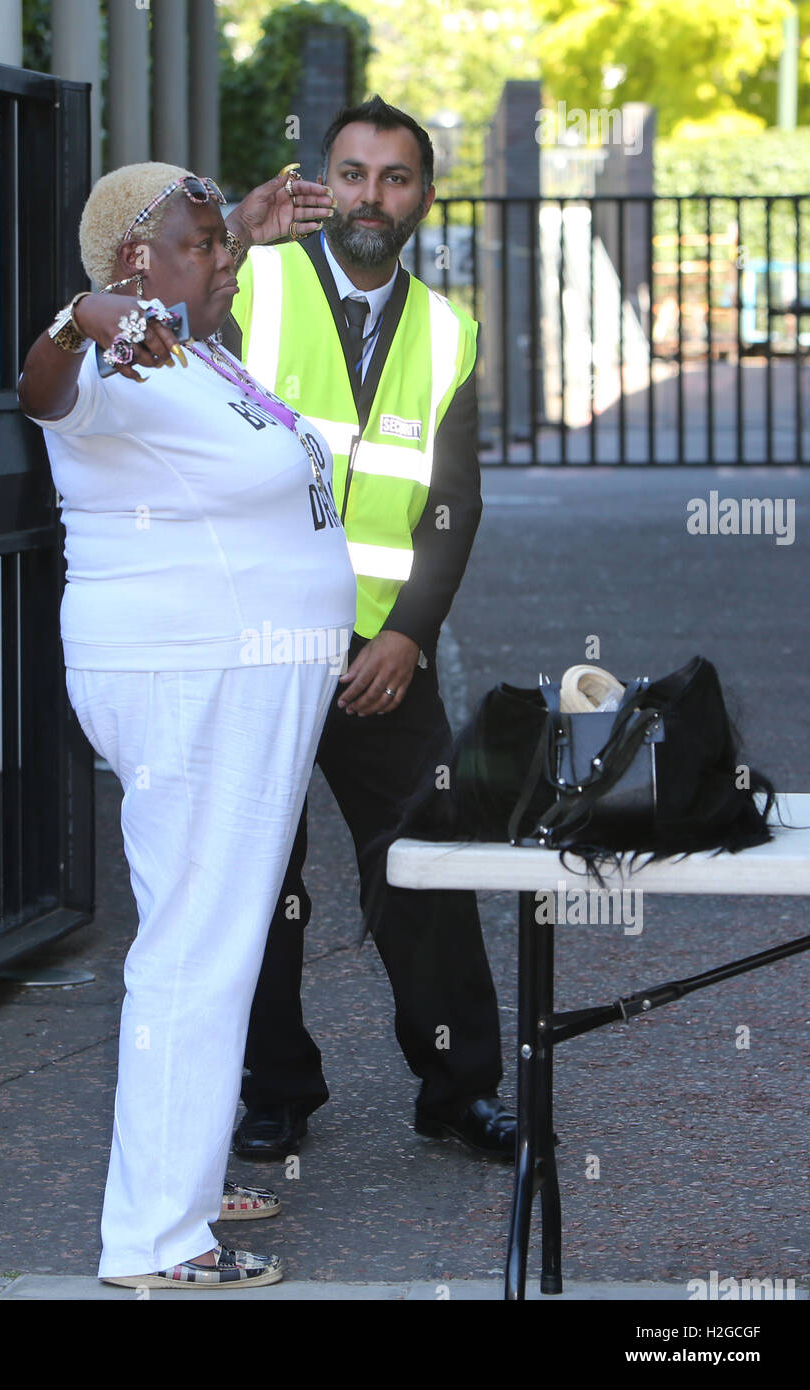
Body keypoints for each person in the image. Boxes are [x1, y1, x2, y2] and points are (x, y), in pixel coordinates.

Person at [17, 161, 356, 1288]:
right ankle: (156, 1244)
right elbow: (40, 391)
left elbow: (199, 316)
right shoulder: (113, 357)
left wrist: (237, 236)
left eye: (222, 242)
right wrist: (80, 316)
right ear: (130, 265)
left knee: (217, 934)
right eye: (197, 243)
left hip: (239, 673)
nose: (223, 259)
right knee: (194, 948)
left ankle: (185, 1177)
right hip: (193, 675)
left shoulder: (195, 354)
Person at [222, 97, 518, 1162]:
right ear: (320, 182)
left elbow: (452, 501)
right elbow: (133, 334)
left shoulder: (448, 331)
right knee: (259, 872)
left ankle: (457, 1090)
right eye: (350, 174)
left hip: (380, 653)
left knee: (425, 864)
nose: (368, 197)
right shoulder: (247, 283)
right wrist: (233, 235)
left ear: (420, 198)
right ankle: (274, 1089)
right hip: (255, 636)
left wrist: (408, 637)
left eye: (393, 178)